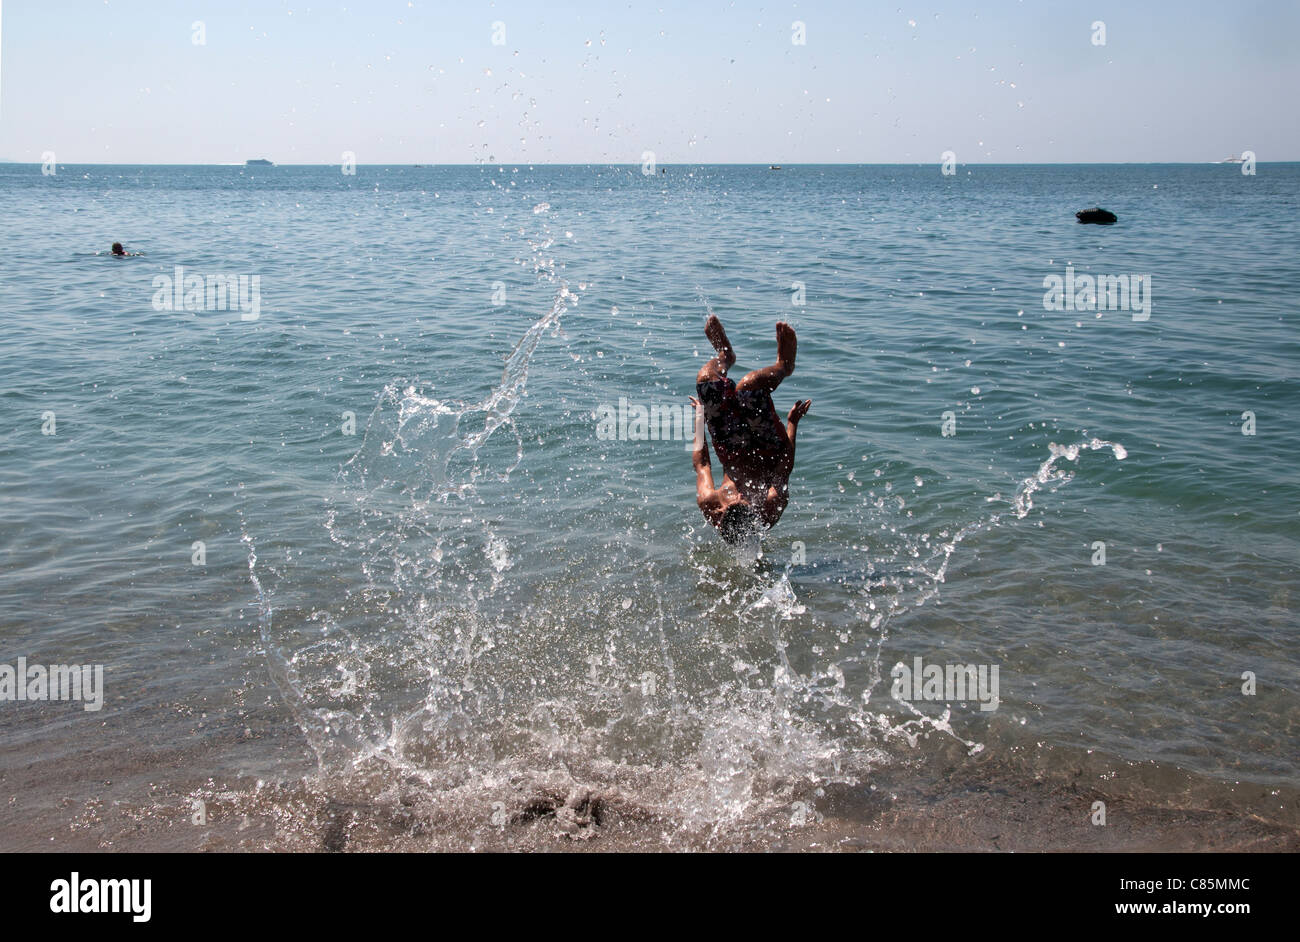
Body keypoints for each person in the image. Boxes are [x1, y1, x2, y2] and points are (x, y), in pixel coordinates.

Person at [690, 315, 810, 543]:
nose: (741, 495)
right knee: (749, 385)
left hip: (731, 448)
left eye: (734, 500)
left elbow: (702, 462)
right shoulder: (771, 507)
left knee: (706, 381)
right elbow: (785, 467)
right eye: (743, 501)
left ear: (722, 512)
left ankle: (726, 357)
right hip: (767, 449)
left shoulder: (710, 504)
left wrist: (698, 420)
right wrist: (792, 424)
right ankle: (785, 366)